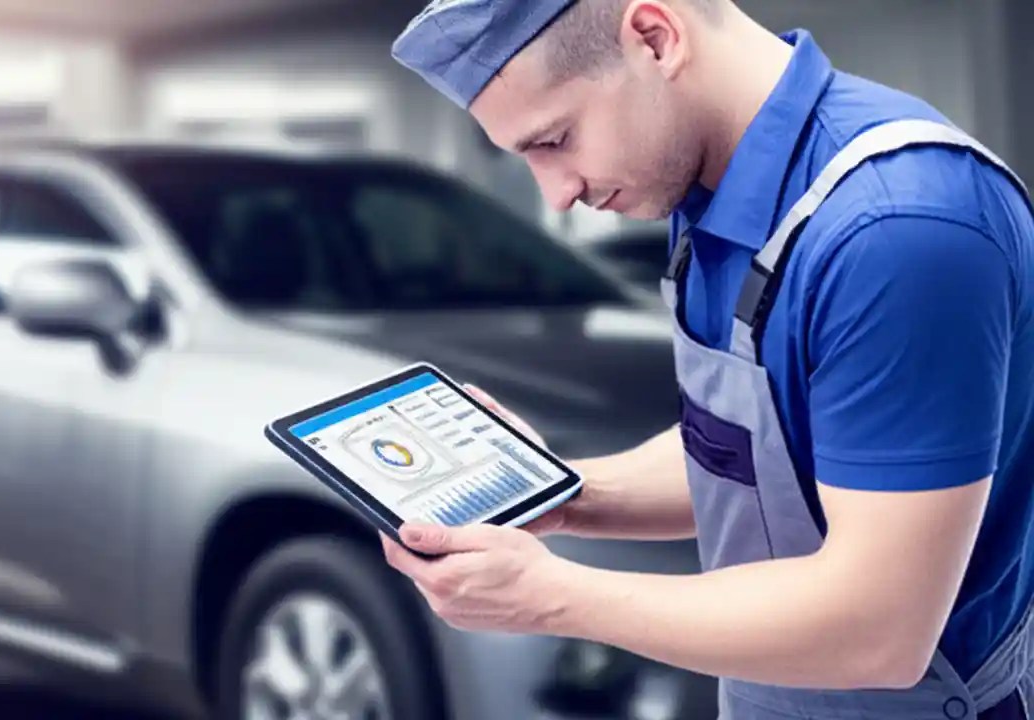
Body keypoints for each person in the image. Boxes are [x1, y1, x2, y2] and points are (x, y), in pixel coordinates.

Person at [382, 1, 1034, 718]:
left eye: (557, 140)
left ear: (655, 38)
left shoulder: (899, 229)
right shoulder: (700, 194)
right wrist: (558, 493)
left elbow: (879, 629)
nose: (557, 192)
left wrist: (550, 596)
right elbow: (757, 456)